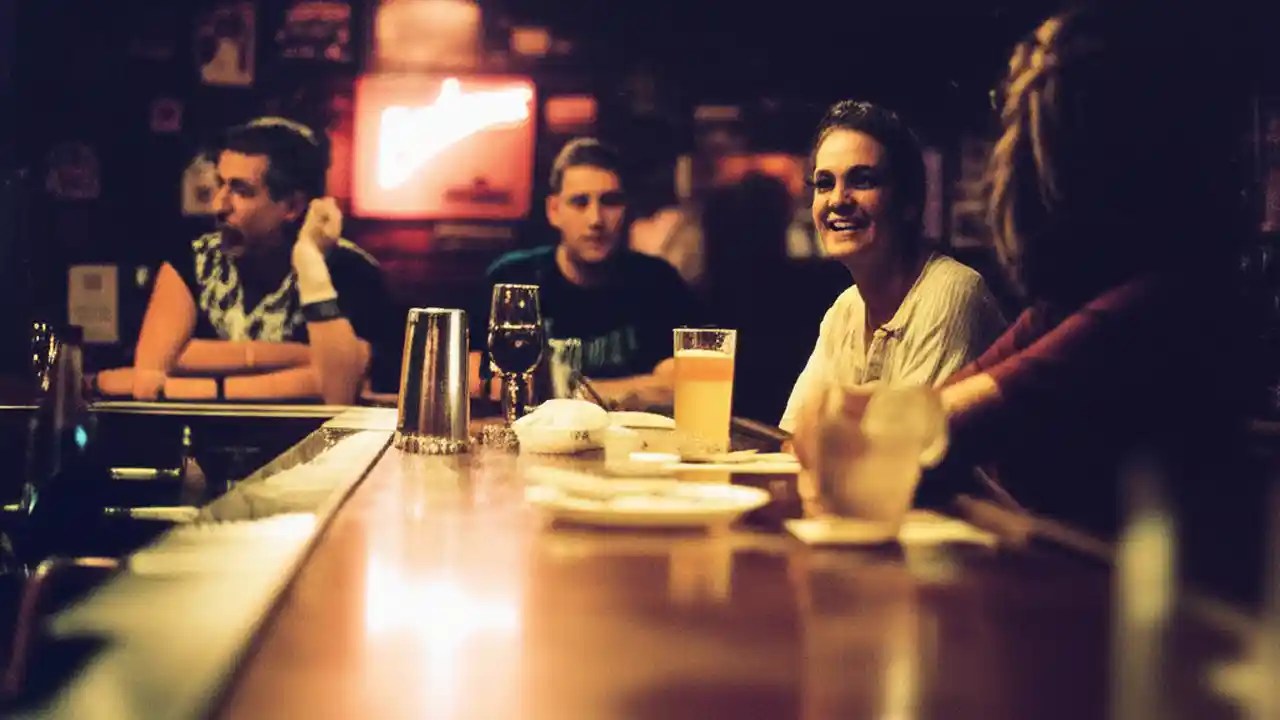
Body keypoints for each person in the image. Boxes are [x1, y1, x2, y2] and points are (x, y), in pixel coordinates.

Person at [793, 6, 1255, 536]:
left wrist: (848, 417)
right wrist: (851, 416)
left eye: (1026, 126)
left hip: (1138, 608)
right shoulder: (1063, 307)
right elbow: (935, 406)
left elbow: (936, 426)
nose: (1007, 157)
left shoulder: (1156, 305)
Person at [108, 117, 393, 405]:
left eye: (240, 190)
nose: (219, 205)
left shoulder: (350, 270)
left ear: (292, 206)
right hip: (204, 442)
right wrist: (301, 359)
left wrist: (310, 264)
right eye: (220, 184)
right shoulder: (195, 258)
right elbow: (150, 376)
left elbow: (337, 390)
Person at [779, 101, 1006, 432]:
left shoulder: (953, 293)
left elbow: (898, 455)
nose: (838, 200)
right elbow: (791, 437)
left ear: (909, 202)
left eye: (863, 180)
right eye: (825, 183)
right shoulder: (844, 312)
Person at [471, 137, 698, 410]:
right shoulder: (512, 278)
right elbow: (471, 376)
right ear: (554, 211)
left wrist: (557, 391)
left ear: (627, 209)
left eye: (610, 201)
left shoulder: (657, 281)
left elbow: (681, 384)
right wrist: (632, 389)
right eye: (580, 202)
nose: (596, 220)